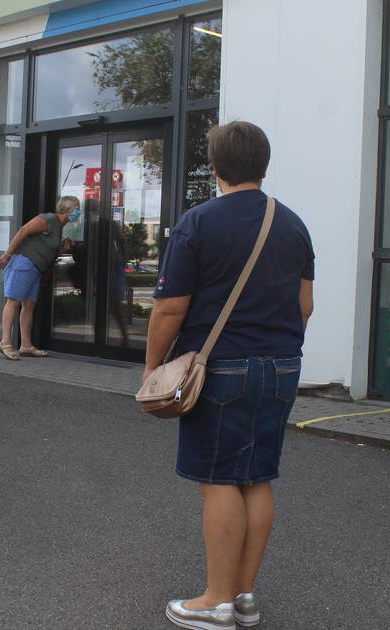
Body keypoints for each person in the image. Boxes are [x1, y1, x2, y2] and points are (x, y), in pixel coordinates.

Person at [146, 121, 314, 630]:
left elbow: (170, 309)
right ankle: (243, 597)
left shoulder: (198, 222)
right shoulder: (292, 224)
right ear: (263, 166)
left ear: (215, 168)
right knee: (257, 477)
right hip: (282, 364)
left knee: (219, 480)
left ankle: (216, 600)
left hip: (221, 367)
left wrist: (153, 366)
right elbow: (304, 305)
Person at [0, 196, 80, 360]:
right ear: (68, 209)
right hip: (23, 262)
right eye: (77, 209)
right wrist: (7, 254)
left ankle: (26, 345)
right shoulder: (48, 219)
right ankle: (5, 342)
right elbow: (23, 231)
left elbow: (47, 250)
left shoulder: (59, 227)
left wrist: (63, 247)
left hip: (35, 268)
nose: (78, 213)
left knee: (28, 305)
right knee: (13, 301)